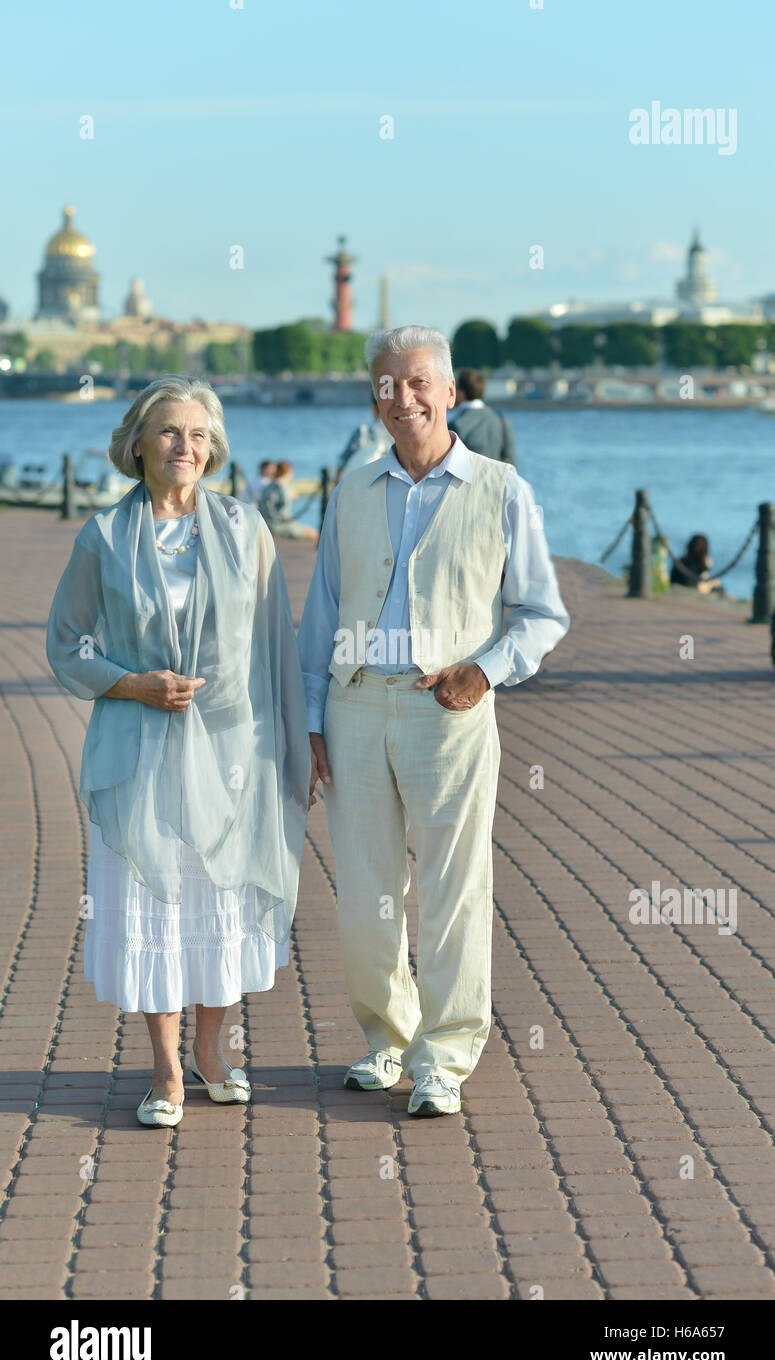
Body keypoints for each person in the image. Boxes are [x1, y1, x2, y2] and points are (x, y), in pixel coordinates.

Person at [297, 326, 569, 1118]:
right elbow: (320, 615)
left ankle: (444, 1056)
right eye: (387, 384)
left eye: (419, 383)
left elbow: (542, 612)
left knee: (453, 887)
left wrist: (483, 670)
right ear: (373, 397)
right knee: (365, 891)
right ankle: (389, 1037)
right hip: (352, 708)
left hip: (446, 710)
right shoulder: (350, 488)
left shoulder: (499, 488)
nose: (403, 398)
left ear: (451, 392)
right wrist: (311, 719)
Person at [46, 377, 310, 1128]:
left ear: (214, 447)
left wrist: (292, 749)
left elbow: (274, 648)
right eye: (169, 432)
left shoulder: (247, 528)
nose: (185, 447)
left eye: (198, 434)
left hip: (233, 752)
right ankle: (164, 1072)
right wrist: (130, 683)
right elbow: (66, 644)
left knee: (221, 899)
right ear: (137, 444)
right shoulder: (102, 536)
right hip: (139, 748)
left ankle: (211, 1051)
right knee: (151, 904)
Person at [450, 367, 517, 468]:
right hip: (497, 481)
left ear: (460, 393)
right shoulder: (501, 420)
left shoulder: (456, 425)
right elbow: (511, 464)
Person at [335, 399, 393, 484]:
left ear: (373, 408)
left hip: (356, 486)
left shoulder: (363, 432)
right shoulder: (398, 433)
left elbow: (343, 461)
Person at [259, 459, 318, 541]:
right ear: (288, 472)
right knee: (313, 534)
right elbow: (283, 515)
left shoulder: (269, 486)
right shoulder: (284, 489)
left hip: (266, 523)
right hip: (279, 526)